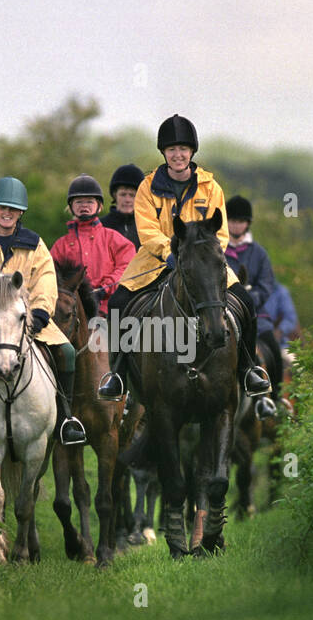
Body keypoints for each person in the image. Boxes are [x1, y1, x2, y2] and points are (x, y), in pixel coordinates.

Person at [96, 114, 272, 416]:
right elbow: (147, 229)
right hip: (156, 260)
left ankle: (248, 368)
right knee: (120, 303)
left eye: (183, 149)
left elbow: (221, 232)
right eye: (172, 150)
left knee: (244, 301)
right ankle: (119, 375)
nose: (178, 155)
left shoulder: (210, 187)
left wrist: (196, 256)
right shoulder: (147, 187)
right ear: (163, 153)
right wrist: (169, 253)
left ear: (192, 152)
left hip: (203, 262)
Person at [0, 176, 86, 445]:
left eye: (12, 209)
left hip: (28, 322)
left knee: (68, 353)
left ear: (21, 212)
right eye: (2, 208)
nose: (7, 213)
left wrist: (38, 314)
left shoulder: (36, 246)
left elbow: (46, 283)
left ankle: (65, 419)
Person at [224, 195, 284, 410]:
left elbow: (267, 285)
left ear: (247, 223)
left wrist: (250, 298)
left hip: (255, 314)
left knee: (273, 348)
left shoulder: (259, 253)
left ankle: (272, 399)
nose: (236, 225)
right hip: (223, 313)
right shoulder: (217, 249)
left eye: (240, 221)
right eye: (232, 220)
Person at [50, 174, 136, 308]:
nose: (84, 205)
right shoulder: (61, 246)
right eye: (79, 201)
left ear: (99, 206)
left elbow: (127, 266)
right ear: (71, 206)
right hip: (73, 312)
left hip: (110, 309)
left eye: (89, 201)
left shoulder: (113, 238)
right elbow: (50, 276)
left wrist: (104, 289)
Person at [101, 164, 144, 249]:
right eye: (123, 194)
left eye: (132, 195)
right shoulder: (101, 226)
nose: (127, 200)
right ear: (115, 195)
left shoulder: (148, 227)